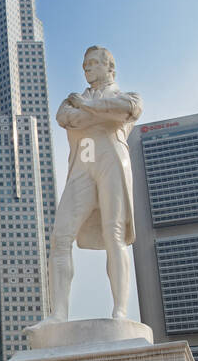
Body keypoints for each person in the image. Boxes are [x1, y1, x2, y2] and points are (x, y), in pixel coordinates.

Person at [44, 46, 143, 322]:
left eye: (92, 63)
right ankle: (58, 314)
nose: (86, 68)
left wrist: (87, 107)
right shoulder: (70, 102)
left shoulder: (128, 97)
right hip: (83, 161)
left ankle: (119, 311)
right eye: (84, 64)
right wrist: (104, 113)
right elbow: (66, 118)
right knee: (60, 237)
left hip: (112, 157)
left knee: (115, 234)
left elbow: (127, 110)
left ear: (109, 67)